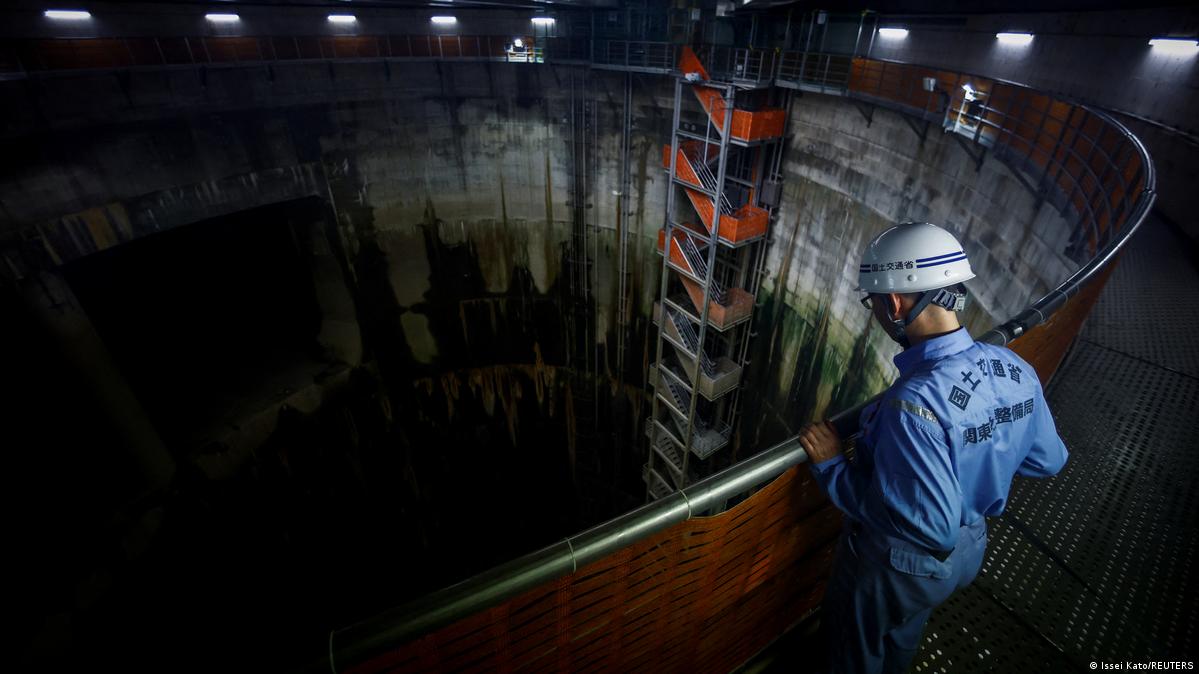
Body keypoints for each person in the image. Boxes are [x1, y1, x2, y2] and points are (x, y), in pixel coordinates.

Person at [798, 222, 1069, 674]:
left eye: (873, 303)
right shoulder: (1012, 365)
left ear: (894, 303)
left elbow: (930, 527)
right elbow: (1049, 459)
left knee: (852, 650)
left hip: (900, 566)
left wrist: (832, 468)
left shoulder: (914, 405)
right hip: (968, 549)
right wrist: (983, 461)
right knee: (902, 634)